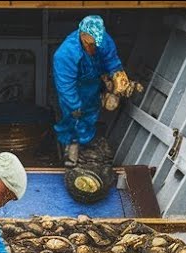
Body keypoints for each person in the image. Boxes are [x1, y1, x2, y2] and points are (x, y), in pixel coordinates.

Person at [52, 15, 129, 166]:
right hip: (73, 88)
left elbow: (112, 62)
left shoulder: (104, 41)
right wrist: (73, 106)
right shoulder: (65, 54)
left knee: (91, 113)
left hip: (92, 84)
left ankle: (86, 143)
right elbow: (65, 86)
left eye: (96, 45)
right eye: (90, 45)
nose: (93, 49)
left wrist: (117, 82)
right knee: (72, 117)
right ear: (82, 35)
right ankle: (70, 148)